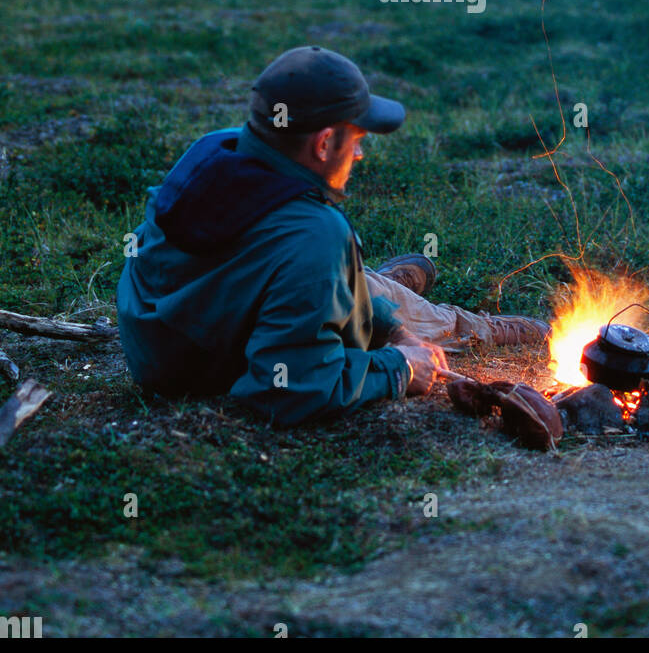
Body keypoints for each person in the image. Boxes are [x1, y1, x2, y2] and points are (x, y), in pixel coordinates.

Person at [116, 45, 549, 428]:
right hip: (187, 370)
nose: (359, 153)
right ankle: (468, 325)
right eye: (357, 139)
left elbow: (252, 262)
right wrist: (397, 368)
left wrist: (391, 329)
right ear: (324, 144)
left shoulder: (216, 148)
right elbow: (289, 389)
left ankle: (374, 294)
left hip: (155, 337)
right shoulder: (315, 234)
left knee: (341, 276)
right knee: (326, 259)